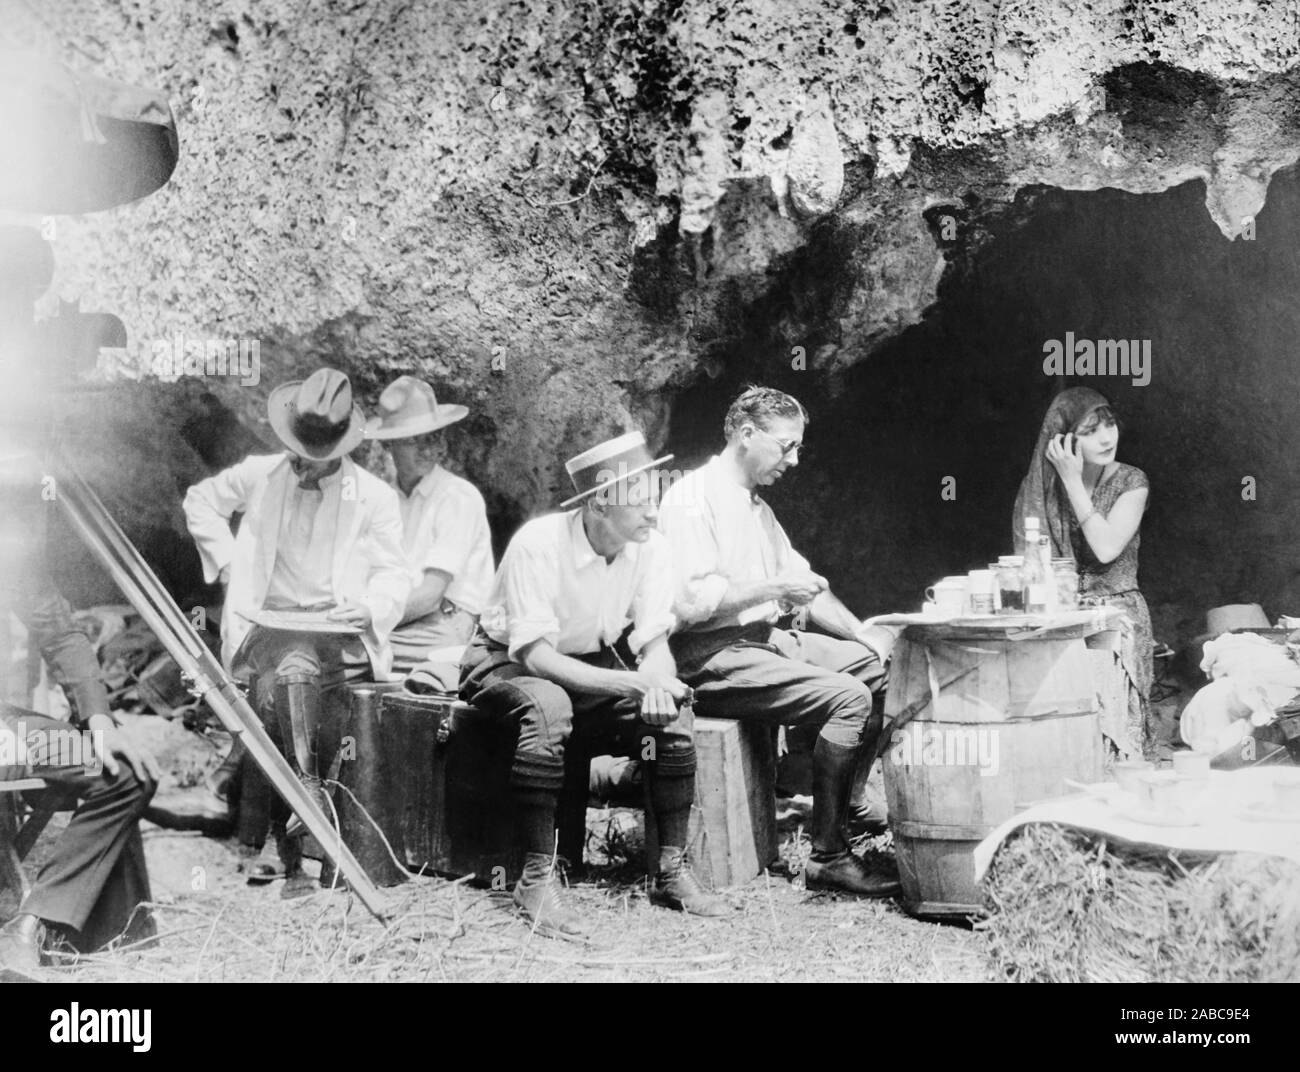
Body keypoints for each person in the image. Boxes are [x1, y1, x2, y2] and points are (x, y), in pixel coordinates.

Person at [460, 431, 728, 940]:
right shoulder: (538, 544)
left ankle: (669, 871)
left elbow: (653, 639)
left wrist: (658, 682)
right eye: (643, 502)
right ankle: (536, 879)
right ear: (601, 503)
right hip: (503, 661)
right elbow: (535, 654)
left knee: (673, 714)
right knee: (549, 708)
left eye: (655, 499)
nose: (655, 513)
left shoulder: (651, 548)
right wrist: (631, 685)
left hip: (587, 663)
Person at [658, 385, 900, 897]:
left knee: (877, 669)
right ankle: (828, 856)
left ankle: (847, 799)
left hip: (760, 641)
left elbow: (806, 587)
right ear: (747, 434)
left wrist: (865, 634)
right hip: (708, 656)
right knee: (848, 698)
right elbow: (688, 602)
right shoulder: (691, 500)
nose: (793, 460)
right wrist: (774, 589)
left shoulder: (756, 509)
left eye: (798, 448)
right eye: (786, 445)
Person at [183, 367, 410, 895]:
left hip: (337, 633)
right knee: (287, 670)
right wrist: (228, 564)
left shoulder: (373, 496)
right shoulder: (262, 474)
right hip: (267, 626)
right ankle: (305, 806)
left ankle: (286, 846)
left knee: (283, 681)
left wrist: (370, 607)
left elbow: (395, 572)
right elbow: (201, 500)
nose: (306, 460)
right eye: (301, 447)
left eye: (318, 450)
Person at [1013, 387, 1152, 758]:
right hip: (1063, 620)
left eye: (1109, 425)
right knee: (1062, 736)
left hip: (1117, 621)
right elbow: (1030, 562)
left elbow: (1107, 549)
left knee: (1111, 743)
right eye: (1090, 431)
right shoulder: (1041, 489)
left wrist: (1074, 482)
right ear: (1063, 441)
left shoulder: (1131, 482)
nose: (1107, 437)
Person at [366, 376, 494, 686]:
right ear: (389, 444)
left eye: (434, 437)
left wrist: (367, 621)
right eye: (415, 439)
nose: (429, 448)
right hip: (400, 623)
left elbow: (430, 596)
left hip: (445, 626)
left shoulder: (457, 497)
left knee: (350, 655)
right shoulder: (382, 500)